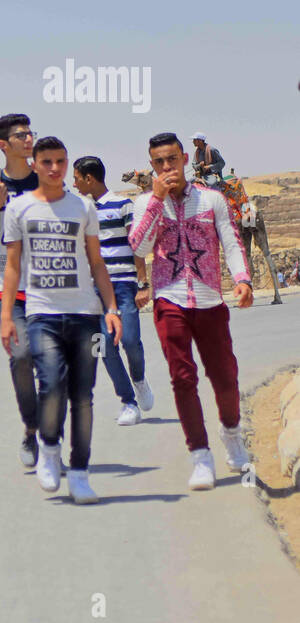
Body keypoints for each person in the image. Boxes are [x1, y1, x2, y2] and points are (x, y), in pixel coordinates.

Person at [2, 136, 122, 504]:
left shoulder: (83, 207)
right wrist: (7, 316)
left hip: (85, 315)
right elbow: (11, 267)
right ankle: (49, 447)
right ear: (35, 165)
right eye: (48, 162)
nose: (55, 169)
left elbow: (97, 263)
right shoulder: (19, 209)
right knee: (51, 384)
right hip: (42, 315)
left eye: (61, 162)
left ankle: (81, 473)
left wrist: (111, 309)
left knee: (83, 397)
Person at [129, 132, 253, 491]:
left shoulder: (212, 200)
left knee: (225, 377)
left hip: (211, 301)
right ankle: (200, 455)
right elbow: (140, 245)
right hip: (169, 300)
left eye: (172, 160)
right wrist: (156, 200)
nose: (167, 168)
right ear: (151, 166)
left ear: (185, 158)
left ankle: (231, 433)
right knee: (183, 378)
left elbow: (230, 241)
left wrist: (242, 278)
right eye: (159, 162)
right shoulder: (145, 204)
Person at [0, 113, 40, 468]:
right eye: (21, 135)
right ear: (4, 144)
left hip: (51, 287)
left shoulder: (46, 176)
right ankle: (31, 429)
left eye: (30, 133)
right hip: (9, 286)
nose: (28, 139)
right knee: (21, 356)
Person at [72, 155, 155, 426]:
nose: (74, 184)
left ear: (89, 178)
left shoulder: (123, 205)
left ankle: (139, 378)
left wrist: (143, 284)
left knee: (130, 340)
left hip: (123, 285)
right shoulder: (80, 211)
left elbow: (137, 247)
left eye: (76, 178)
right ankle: (128, 401)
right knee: (104, 347)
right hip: (93, 290)